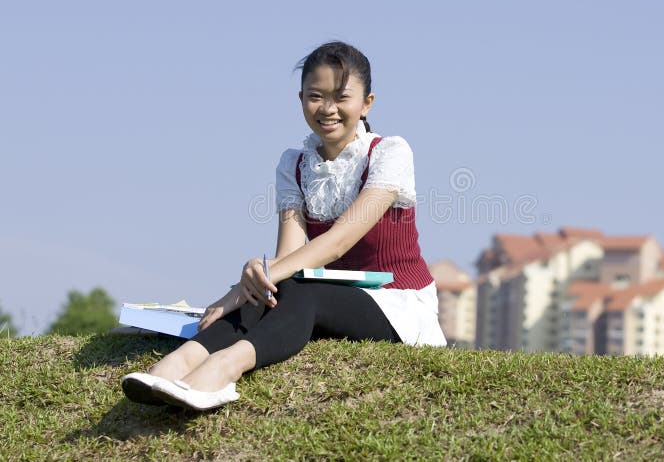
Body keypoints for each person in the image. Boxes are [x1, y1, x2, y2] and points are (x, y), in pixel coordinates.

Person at [121, 41, 446, 410]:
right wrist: (252, 284)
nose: (327, 109)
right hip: (335, 300)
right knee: (269, 290)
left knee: (293, 287)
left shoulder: (389, 153)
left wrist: (251, 281)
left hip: (399, 305)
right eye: (315, 96)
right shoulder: (294, 164)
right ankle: (174, 366)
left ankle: (222, 371)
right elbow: (290, 256)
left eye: (342, 97)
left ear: (367, 103)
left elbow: (339, 242)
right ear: (300, 98)